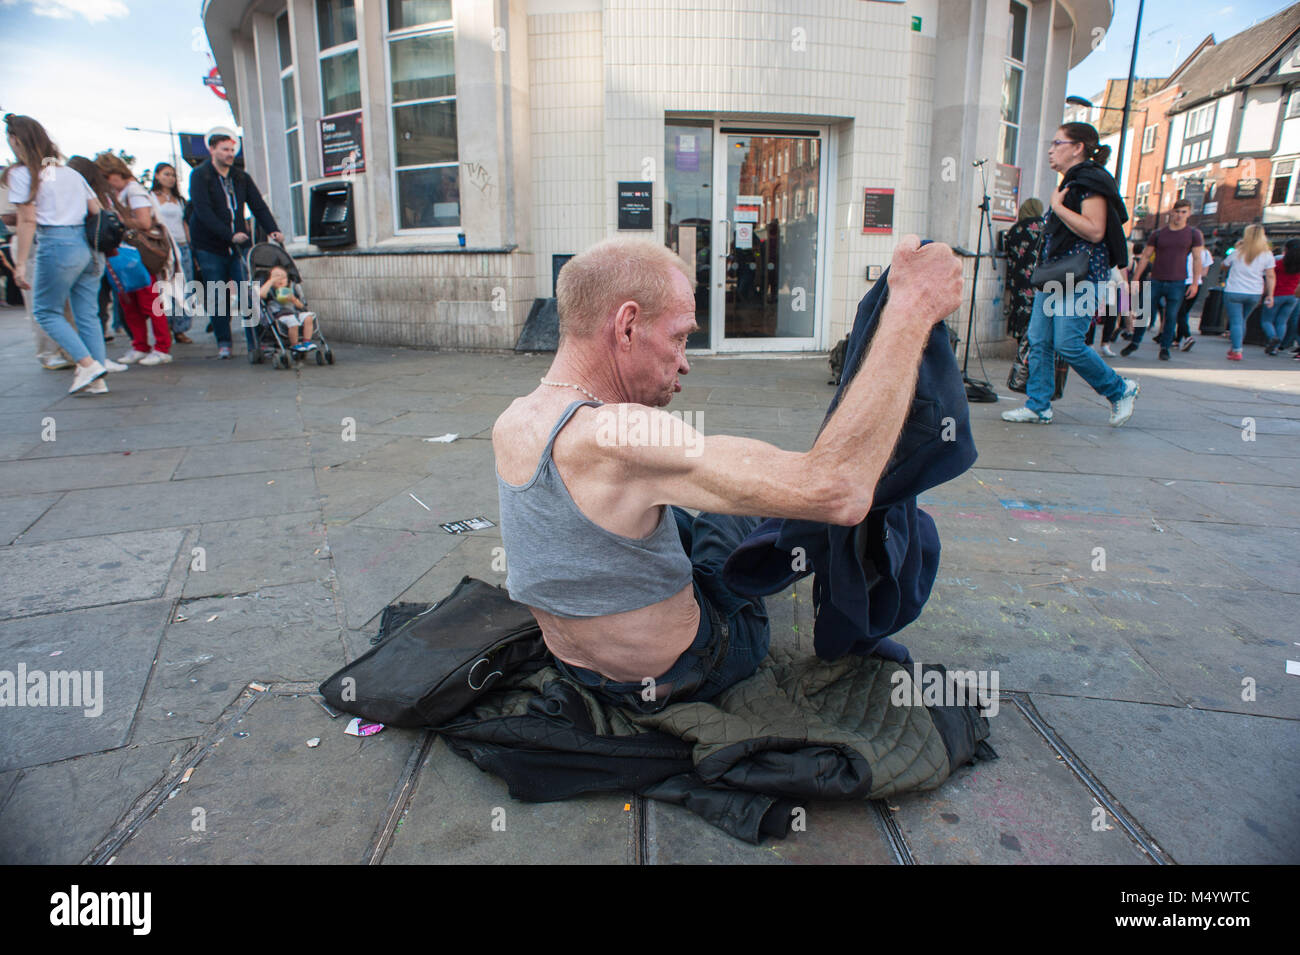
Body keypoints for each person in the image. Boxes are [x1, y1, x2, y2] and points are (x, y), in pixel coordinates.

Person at [492, 235, 962, 706]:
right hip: (698, 663)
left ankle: (770, 538)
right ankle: (789, 559)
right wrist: (912, 307)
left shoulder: (514, 419)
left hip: (577, 664)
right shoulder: (625, 437)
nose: (685, 362)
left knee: (697, 511)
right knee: (743, 520)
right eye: (679, 337)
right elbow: (841, 488)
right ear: (628, 326)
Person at [1001, 123, 1139, 427]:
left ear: (1078, 147)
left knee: (1068, 344)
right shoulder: (1072, 183)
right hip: (1055, 274)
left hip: (1082, 275)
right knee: (1039, 341)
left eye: (1057, 142)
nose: (1051, 149)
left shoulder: (1091, 181)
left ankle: (1120, 389)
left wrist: (1057, 208)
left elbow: (1095, 229)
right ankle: (1038, 406)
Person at [2, 114, 110, 394]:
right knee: (88, 314)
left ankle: (87, 365)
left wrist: (21, 265)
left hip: (57, 243)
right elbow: (97, 211)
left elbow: (27, 220)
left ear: (15, 140)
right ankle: (96, 381)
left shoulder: (21, 174)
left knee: (45, 311)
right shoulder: (70, 174)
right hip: (89, 247)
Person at [187, 129, 282, 358]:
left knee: (248, 292)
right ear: (212, 150)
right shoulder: (201, 176)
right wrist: (228, 235)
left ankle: (256, 342)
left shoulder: (241, 177)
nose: (230, 154)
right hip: (210, 245)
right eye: (225, 150)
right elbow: (203, 211)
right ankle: (224, 341)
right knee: (217, 294)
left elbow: (257, 205)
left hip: (239, 246)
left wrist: (273, 229)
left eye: (232, 150)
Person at [95, 151, 172, 366]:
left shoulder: (134, 191)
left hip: (138, 254)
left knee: (148, 303)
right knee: (129, 304)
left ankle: (161, 347)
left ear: (113, 173)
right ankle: (140, 345)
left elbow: (145, 223)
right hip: (127, 255)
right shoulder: (124, 192)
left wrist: (119, 220)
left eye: (107, 178)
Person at [1123, 199, 1205, 361]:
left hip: (1178, 281)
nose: (1180, 215)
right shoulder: (1158, 234)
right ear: (1171, 212)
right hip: (1156, 278)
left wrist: (1195, 282)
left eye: (1184, 212)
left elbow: (1197, 259)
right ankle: (1135, 341)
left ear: (1189, 213)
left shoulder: (1193, 234)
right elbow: (1146, 256)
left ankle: (1165, 347)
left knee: (1171, 316)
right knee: (1144, 312)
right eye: (1177, 212)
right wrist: (1136, 278)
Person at [150, 161, 194, 343]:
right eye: (166, 174)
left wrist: (191, 245)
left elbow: (185, 223)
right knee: (166, 289)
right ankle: (166, 325)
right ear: (157, 176)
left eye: (173, 175)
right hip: (165, 247)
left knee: (185, 288)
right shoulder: (151, 198)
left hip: (182, 245)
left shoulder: (180, 200)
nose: (170, 178)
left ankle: (181, 327)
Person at [1220, 224, 1275, 361]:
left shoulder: (1237, 252)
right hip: (1254, 292)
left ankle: (1237, 349)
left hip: (1234, 290)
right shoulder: (1267, 255)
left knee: (1236, 321)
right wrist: (1270, 295)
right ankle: (1235, 347)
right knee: (1242, 320)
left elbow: (1224, 266)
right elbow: (1270, 276)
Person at [1002, 198, 1045, 340]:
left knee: (1020, 314)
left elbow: (1008, 250)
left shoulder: (1016, 230)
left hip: (1019, 281)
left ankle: (1021, 349)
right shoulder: (1045, 228)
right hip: (1040, 281)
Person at [259, 265, 316, 352]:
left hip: (294, 313)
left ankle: (306, 341)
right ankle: (294, 344)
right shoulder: (270, 290)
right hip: (280, 316)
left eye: (283, 277)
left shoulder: (291, 290)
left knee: (308, 317)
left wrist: (294, 300)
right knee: (292, 321)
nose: (280, 279)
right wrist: (271, 281)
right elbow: (261, 294)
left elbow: (301, 306)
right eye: (276, 276)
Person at [1171, 243, 1214, 351]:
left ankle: (1187, 337)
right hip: (1196, 284)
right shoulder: (1206, 253)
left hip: (1182, 282)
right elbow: (1204, 272)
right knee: (1183, 313)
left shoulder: (1183, 251)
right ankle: (1177, 340)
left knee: (1178, 312)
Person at [1260, 238, 1300, 356]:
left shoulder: (1278, 263)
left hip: (1276, 294)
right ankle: (1275, 347)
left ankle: (1273, 338)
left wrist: (1265, 294)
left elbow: (1269, 278)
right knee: (1282, 322)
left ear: (1286, 249)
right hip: (1292, 296)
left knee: (1267, 320)